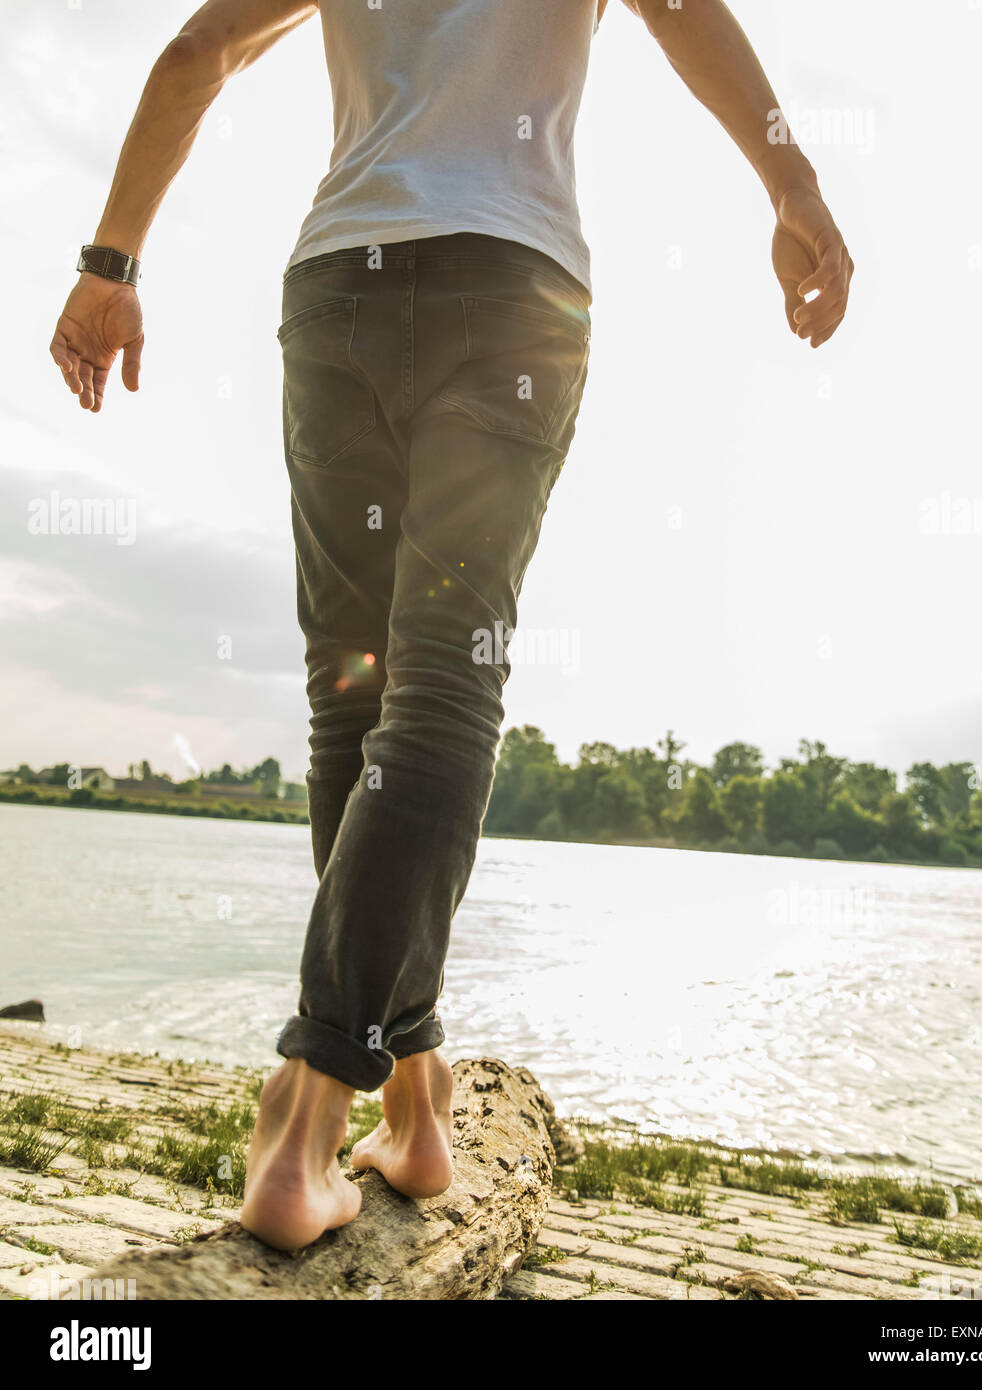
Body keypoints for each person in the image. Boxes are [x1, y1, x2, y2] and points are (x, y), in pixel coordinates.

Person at [48, 0, 853, 1251]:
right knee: (441, 690)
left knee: (354, 701)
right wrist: (792, 184)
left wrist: (110, 263)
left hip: (341, 290)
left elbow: (193, 53)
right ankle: (307, 1110)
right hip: (510, 285)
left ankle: (414, 1105)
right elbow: (689, 16)